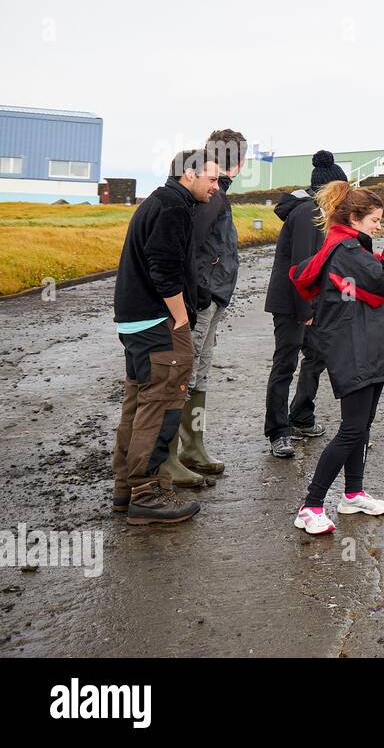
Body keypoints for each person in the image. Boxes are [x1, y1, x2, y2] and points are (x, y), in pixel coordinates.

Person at [287, 181, 384, 534]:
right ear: (354, 218)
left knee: (362, 426)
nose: (378, 226)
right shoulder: (345, 251)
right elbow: (382, 285)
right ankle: (310, 506)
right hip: (352, 349)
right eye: (374, 220)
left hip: (367, 347)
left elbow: (370, 290)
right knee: (352, 429)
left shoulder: (351, 246)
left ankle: (353, 493)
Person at [110, 150, 220, 524]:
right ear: (189, 174)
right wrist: (181, 320)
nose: (216, 187)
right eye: (212, 179)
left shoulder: (158, 202)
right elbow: (163, 269)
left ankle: (126, 489)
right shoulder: (173, 207)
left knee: (138, 404)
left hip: (134, 321)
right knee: (160, 405)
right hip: (158, 323)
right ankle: (147, 494)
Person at [167, 129, 247, 480]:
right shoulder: (210, 198)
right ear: (241, 162)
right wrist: (202, 294)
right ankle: (171, 455)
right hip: (203, 298)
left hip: (211, 297)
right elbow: (192, 248)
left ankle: (193, 447)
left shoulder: (212, 194)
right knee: (185, 371)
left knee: (198, 371)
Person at [262, 150, 343, 458]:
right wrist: (306, 312)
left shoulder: (320, 214)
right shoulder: (307, 215)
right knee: (285, 364)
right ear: (330, 189)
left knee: (317, 354)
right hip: (291, 304)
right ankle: (278, 431)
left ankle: (301, 416)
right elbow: (300, 267)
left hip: (310, 301)